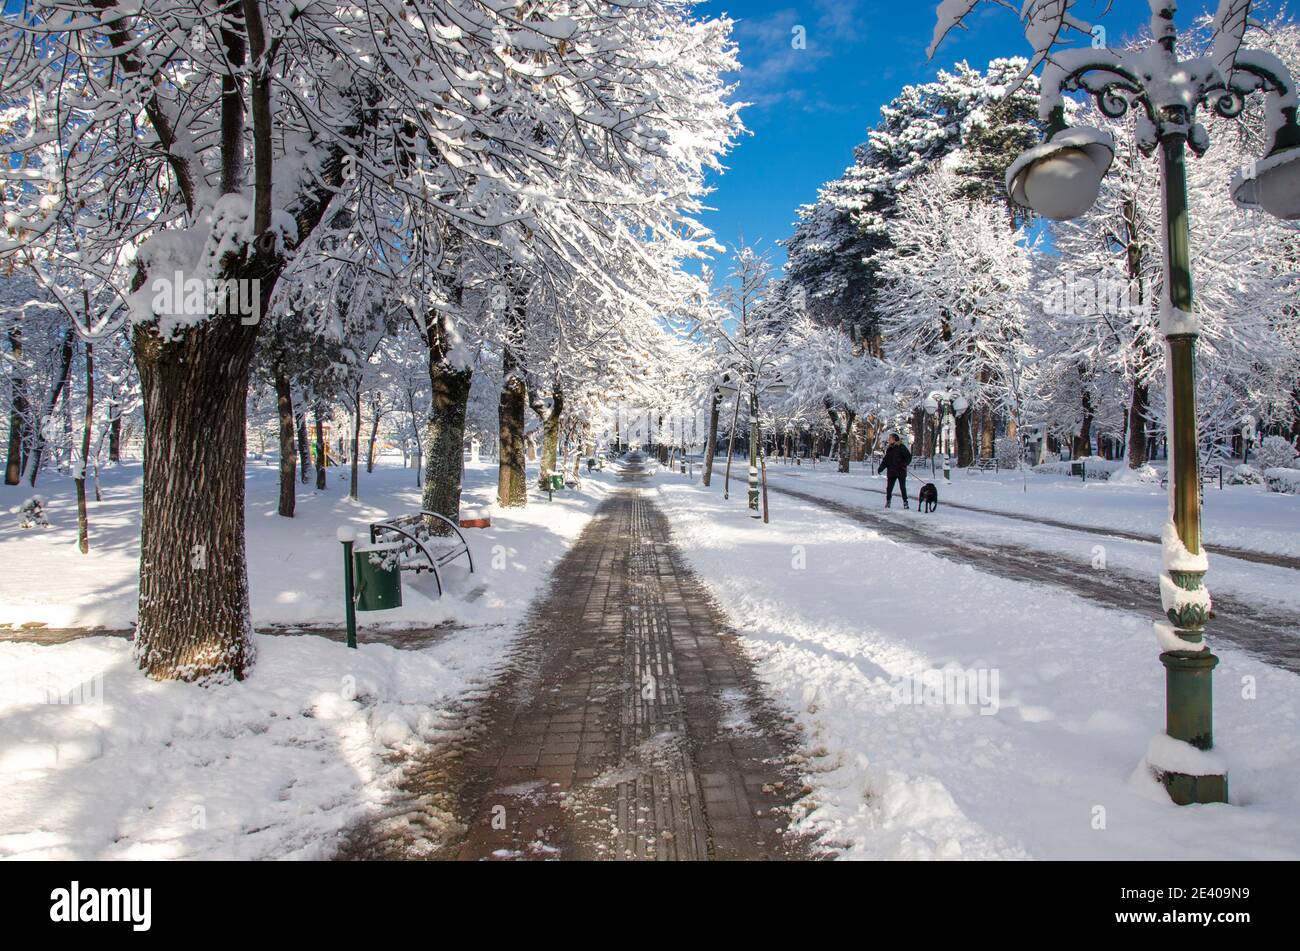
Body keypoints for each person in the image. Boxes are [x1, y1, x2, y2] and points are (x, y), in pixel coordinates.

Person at [877, 433, 912, 509]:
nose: (889, 440)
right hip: (891, 471)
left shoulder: (901, 447)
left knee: (902, 487)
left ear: (894, 439)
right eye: (889, 438)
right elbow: (885, 460)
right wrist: (880, 468)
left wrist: (904, 464)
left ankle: (905, 502)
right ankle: (888, 501)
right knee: (889, 488)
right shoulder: (889, 449)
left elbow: (908, 457)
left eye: (890, 438)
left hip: (901, 471)